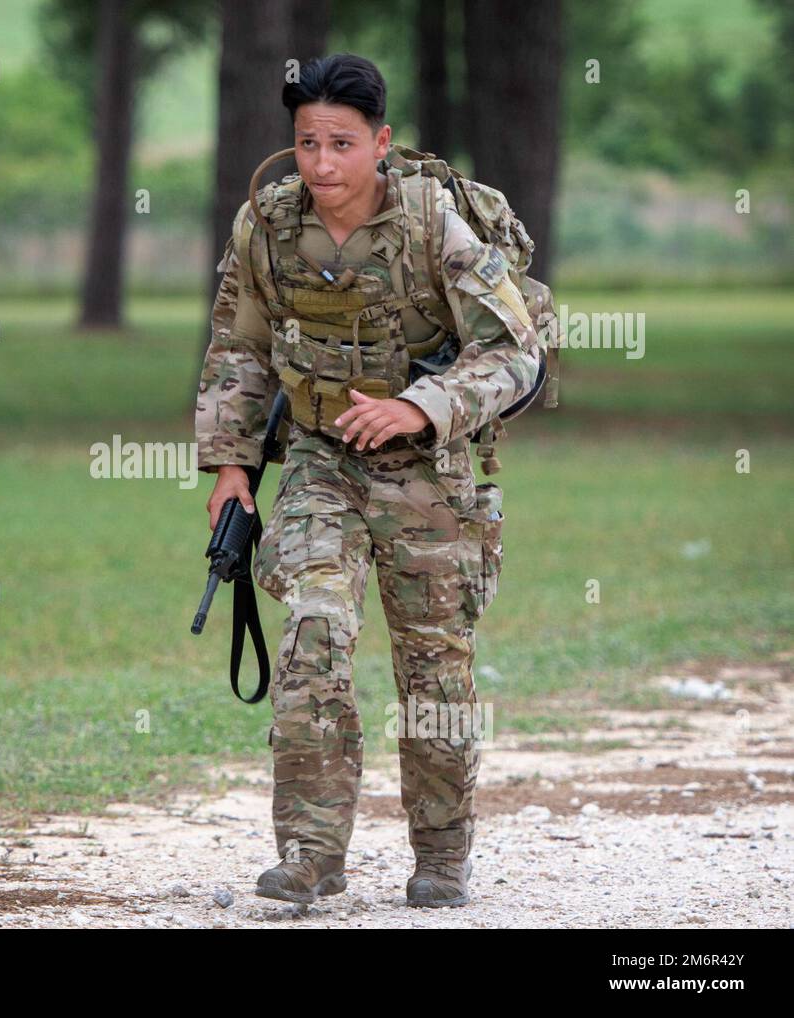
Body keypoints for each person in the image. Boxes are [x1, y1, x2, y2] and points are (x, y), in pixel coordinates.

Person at [195, 53, 541, 907]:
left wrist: (421, 408)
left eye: (341, 144)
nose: (321, 164)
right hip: (320, 461)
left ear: (380, 143)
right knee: (314, 630)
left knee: (435, 668)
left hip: (431, 474)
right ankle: (311, 853)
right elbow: (239, 351)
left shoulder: (433, 225)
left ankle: (441, 856)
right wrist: (232, 465)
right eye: (307, 142)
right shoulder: (267, 228)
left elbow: (514, 351)